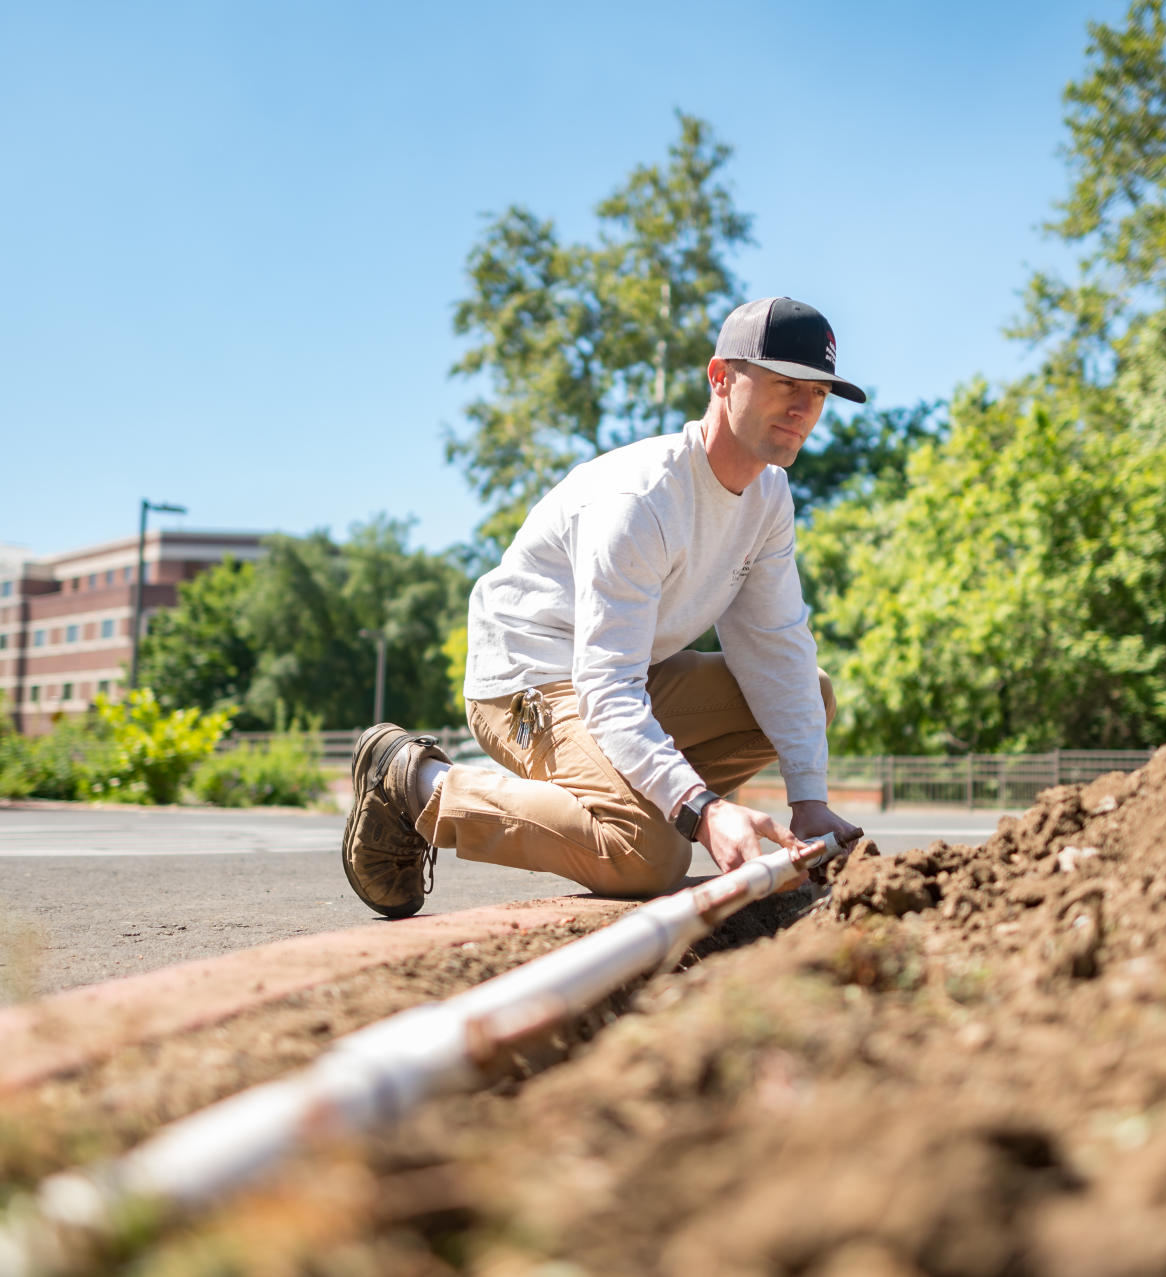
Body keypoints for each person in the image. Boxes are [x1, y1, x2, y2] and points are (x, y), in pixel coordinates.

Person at [342, 296, 866, 918]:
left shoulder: (769, 496)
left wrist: (808, 798)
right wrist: (700, 809)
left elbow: (776, 646)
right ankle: (416, 786)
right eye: (785, 383)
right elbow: (606, 683)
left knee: (809, 692)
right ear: (721, 377)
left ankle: (632, 800)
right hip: (527, 682)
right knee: (644, 855)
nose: (805, 407)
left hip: (622, 675)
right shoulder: (641, 499)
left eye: (819, 393)